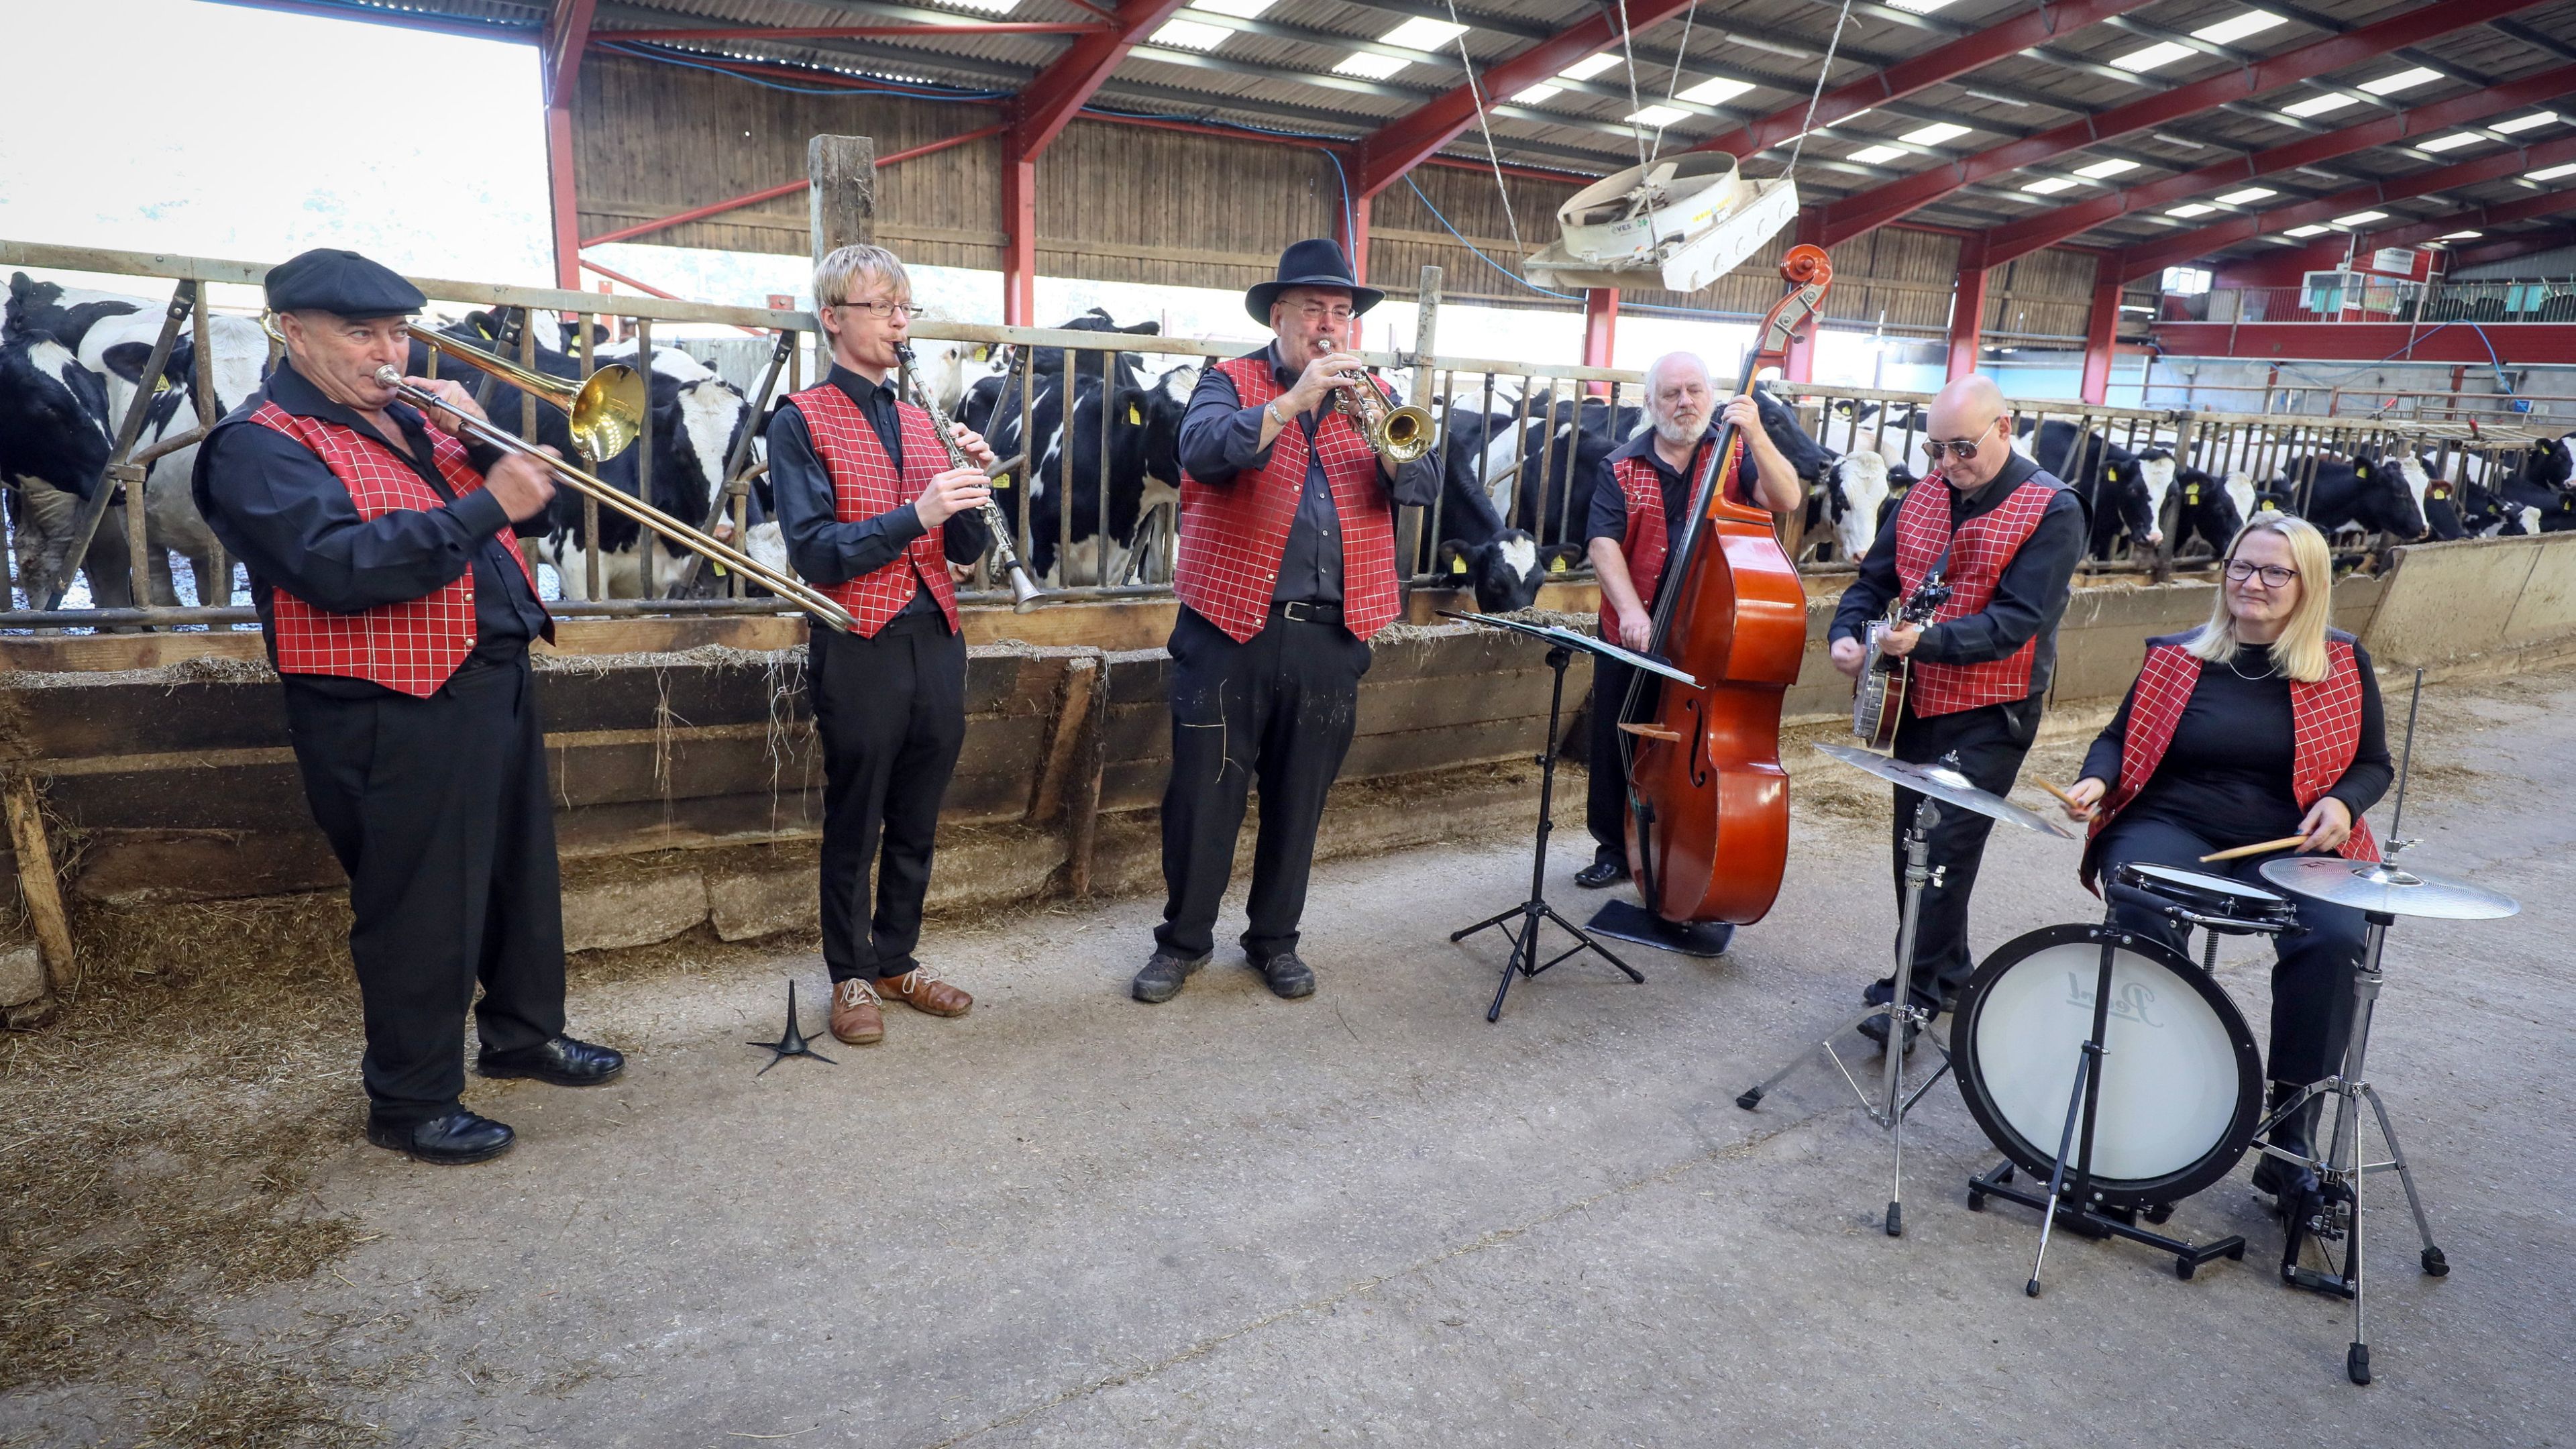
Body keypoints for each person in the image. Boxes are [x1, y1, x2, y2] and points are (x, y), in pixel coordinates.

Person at [193, 248, 622, 1166]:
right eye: (362, 334)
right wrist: (484, 505)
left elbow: (532, 517)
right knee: (420, 903)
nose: (388, 352)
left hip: (489, 673)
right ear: (292, 332)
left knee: (517, 872)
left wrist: (494, 447)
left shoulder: (412, 422)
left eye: (397, 330)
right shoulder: (259, 442)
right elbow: (338, 568)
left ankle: (522, 1034)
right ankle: (412, 1099)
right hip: (387, 704)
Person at [1131, 239, 1443, 1004]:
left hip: (1332, 633)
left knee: (1300, 796)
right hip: (1227, 629)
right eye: (1313, 310)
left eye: (1342, 311)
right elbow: (1200, 453)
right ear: (1280, 317)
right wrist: (1292, 400)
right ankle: (1183, 942)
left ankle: (1274, 940)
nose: (1329, 324)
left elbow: (1425, 482)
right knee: (1204, 795)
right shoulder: (1226, 381)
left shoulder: (1376, 392)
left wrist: (1386, 435)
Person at [2056, 513, 2389, 1210]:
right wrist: (2098, 779)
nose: (2252, 582)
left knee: (2333, 940)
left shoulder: (2341, 664)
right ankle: (2150, 1121)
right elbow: (2118, 740)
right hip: (2173, 823)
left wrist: (2344, 806)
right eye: (2241, 566)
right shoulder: (2178, 655)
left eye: (2274, 571)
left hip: (2288, 841)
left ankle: (2288, 1141)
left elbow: (2372, 765)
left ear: (2309, 585)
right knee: (2141, 903)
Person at [767, 244, 998, 1047]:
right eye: (883, 307)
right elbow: (814, 551)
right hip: (856, 635)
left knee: (918, 810)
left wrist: (974, 486)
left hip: (935, 631)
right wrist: (919, 512)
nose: (902, 321)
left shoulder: (920, 417)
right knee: (856, 813)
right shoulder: (799, 418)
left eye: (908, 308)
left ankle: (898, 958)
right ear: (834, 319)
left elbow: (964, 547)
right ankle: (850, 972)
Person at [1827, 375, 2085, 1044]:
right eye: (1936, 448)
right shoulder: (1923, 493)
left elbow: (2017, 621)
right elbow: (1873, 582)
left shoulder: (2053, 508)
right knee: (1915, 843)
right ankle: (1946, 971)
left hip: (1992, 709)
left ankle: (1912, 998)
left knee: (1938, 847)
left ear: (2006, 428)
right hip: (1917, 698)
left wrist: (1929, 640)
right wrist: (1846, 634)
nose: (1947, 464)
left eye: (1962, 448)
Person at [1577, 353, 1802, 891]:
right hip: (1636, 627)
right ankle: (1613, 845)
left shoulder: (1736, 454)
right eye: (1673, 393)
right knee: (1620, 735)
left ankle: (1685, 840)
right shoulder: (1621, 465)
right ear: (1651, 404)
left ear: (1713, 396)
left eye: (1696, 391)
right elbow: (1603, 542)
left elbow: (1787, 497)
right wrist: (1631, 611)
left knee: (1696, 745)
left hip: (1710, 630)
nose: (1686, 403)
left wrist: (1757, 433)